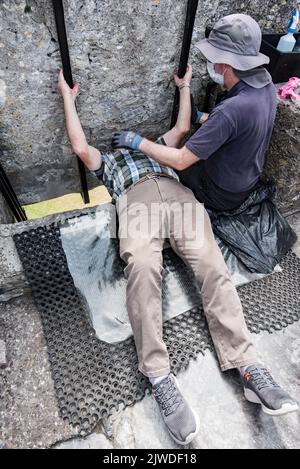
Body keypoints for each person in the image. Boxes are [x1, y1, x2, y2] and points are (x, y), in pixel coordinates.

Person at [58, 60, 298, 445]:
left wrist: (184, 87)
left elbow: (183, 129)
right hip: (135, 204)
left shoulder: (158, 148)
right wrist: (67, 98)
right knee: (142, 269)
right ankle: (158, 376)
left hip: (178, 197)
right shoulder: (110, 162)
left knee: (212, 265)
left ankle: (248, 365)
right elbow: (79, 146)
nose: (131, 137)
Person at [112, 14, 277, 212]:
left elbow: (181, 160)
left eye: (214, 59)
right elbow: (239, 126)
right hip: (245, 180)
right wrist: (199, 115)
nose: (213, 65)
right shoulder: (266, 85)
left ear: (225, 65)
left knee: (167, 174)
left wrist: (137, 141)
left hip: (219, 193)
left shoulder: (230, 110)